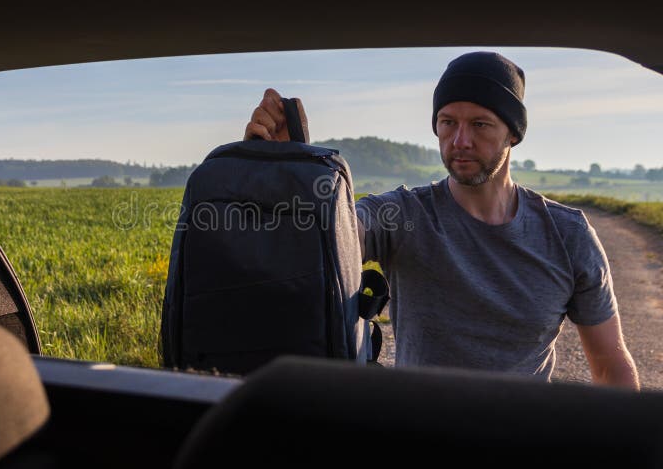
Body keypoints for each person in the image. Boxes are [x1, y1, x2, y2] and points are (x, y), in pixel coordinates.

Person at [243, 51, 640, 389]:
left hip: (523, 443)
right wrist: (283, 167)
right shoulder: (402, 214)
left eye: (480, 124)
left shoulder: (567, 235)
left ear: (513, 134)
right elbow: (318, 238)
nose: (460, 141)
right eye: (448, 122)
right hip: (421, 438)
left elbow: (609, 363)